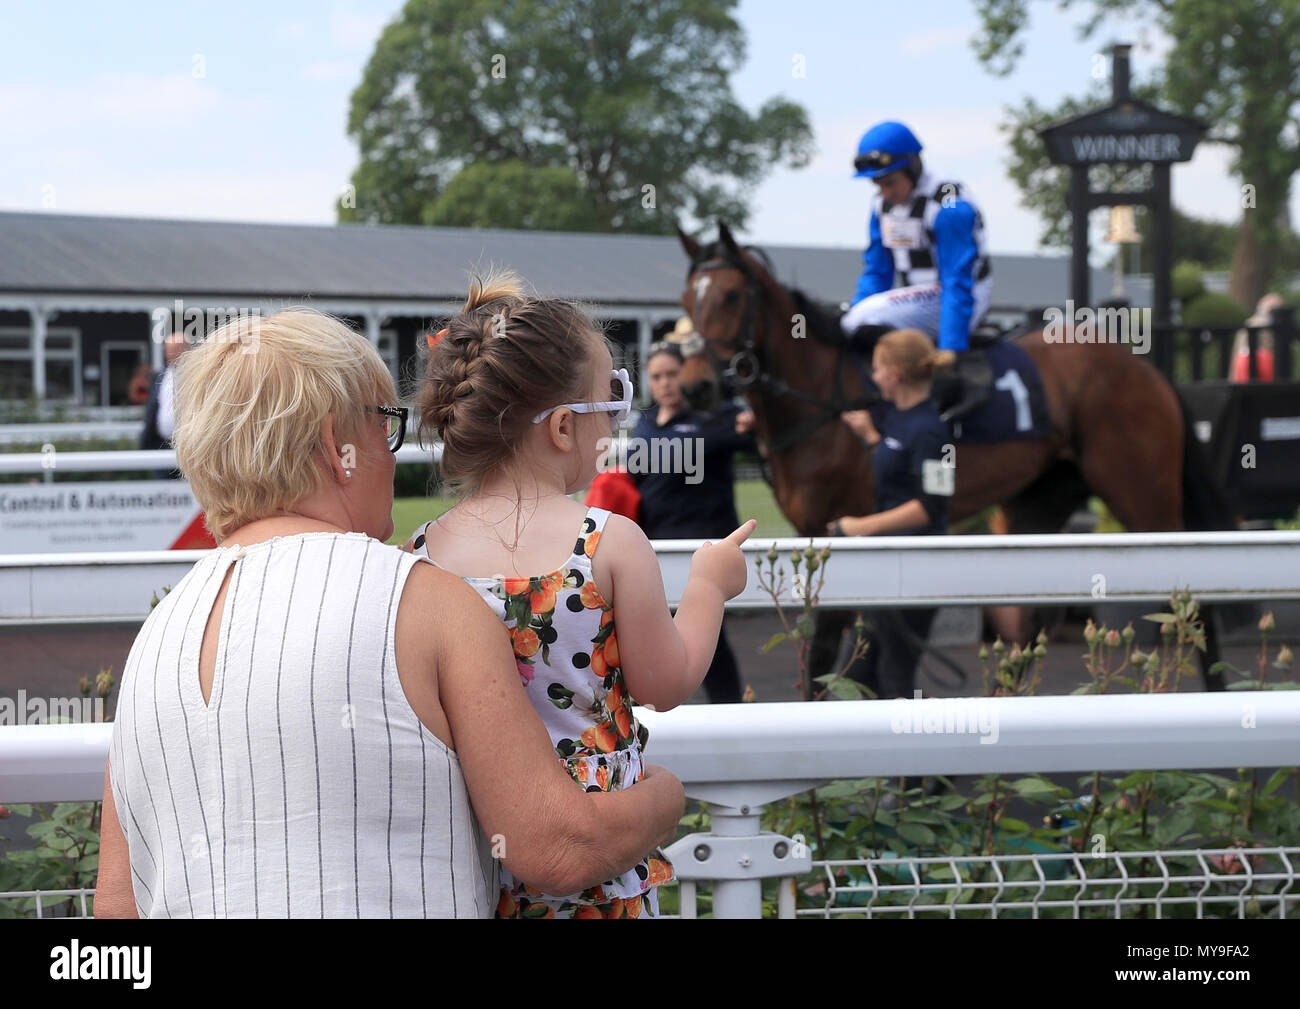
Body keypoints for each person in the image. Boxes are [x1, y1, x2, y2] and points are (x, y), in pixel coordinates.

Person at [94, 307, 685, 919]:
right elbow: (556, 849)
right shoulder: (423, 601)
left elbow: (116, 907)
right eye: (385, 426)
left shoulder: (153, 640)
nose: (395, 454)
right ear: (335, 445)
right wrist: (665, 795)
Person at [407, 275, 755, 918]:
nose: (615, 422)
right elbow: (665, 683)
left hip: (476, 858)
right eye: (611, 402)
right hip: (600, 849)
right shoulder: (609, 543)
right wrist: (710, 585)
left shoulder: (420, 555)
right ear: (564, 427)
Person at [828, 328, 957, 701]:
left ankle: (905, 755)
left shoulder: (932, 431)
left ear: (896, 375)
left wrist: (858, 527)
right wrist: (871, 437)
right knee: (858, 670)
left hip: (916, 568)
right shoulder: (900, 419)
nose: (874, 377)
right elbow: (899, 470)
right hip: (889, 565)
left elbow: (932, 506)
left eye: (878, 369)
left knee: (893, 676)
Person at [630, 334, 757, 704]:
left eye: (672, 373)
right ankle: (650, 724)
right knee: (652, 642)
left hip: (704, 551)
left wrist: (753, 421)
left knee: (711, 644)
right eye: (656, 376)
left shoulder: (719, 416)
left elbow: (760, 437)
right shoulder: (645, 422)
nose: (665, 383)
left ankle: (729, 717)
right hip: (653, 549)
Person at [840, 120, 994, 421]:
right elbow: (876, 271)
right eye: (877, 184)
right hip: (921, 298)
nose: (884, 192)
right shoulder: (880, 207)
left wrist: (951, 347)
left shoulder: (950, 206)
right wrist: (856, 311)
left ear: (912, 166)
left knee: (861, 320)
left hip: (962, 297)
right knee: (855, 319)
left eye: (890, 182)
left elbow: (956, 281)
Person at [140, 331, 188, 478]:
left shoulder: (194, 376)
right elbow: (153, 408)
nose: (170, 353)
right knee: (163, 491)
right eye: (168, 349)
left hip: (187, 445)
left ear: (185, 349)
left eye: (175, 349)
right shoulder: (159, 375)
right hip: (162, 443)